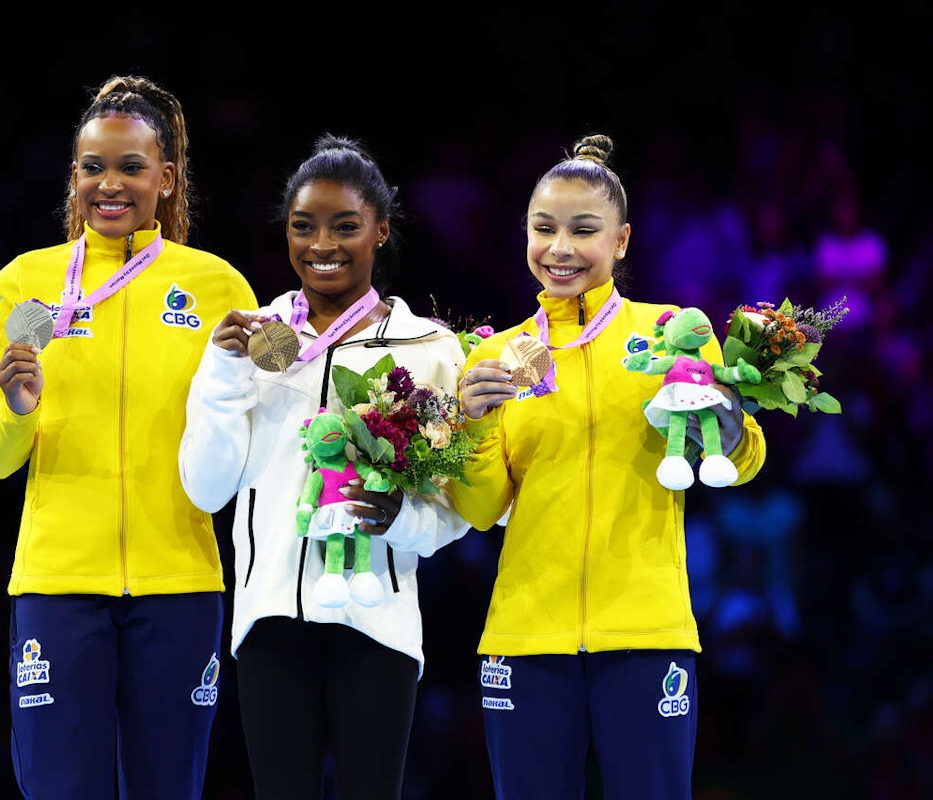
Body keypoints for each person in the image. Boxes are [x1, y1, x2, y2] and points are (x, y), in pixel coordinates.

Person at [449, 133, 767, 799]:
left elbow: (741, 461)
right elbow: (479, 511)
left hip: (647, 634)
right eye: (544, 228)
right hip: (526, 639)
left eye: (583, 230)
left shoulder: (674, 330)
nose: (560, 248)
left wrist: (733, 423)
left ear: (621, 241)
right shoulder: (495, 356)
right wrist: (472, 426)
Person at [0, 74, 257, 800]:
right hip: (59, 589)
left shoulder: (218, 286)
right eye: (93, 167)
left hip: (180, 586)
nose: (111, 184)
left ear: (166, 176)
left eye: (131, 167)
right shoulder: (28, 289)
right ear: (74, 176)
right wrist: (21, 407)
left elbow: (289, 380)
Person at [178, 133, 472, 800]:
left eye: (346, 226)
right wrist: (224, 373)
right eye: (303, 227)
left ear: (380, 231)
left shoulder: (432, 350)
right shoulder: (250, 342)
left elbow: (460, 507)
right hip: (269, 623)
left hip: (379, 621)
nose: (323, 245)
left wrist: (399, 522)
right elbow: (205, 487)